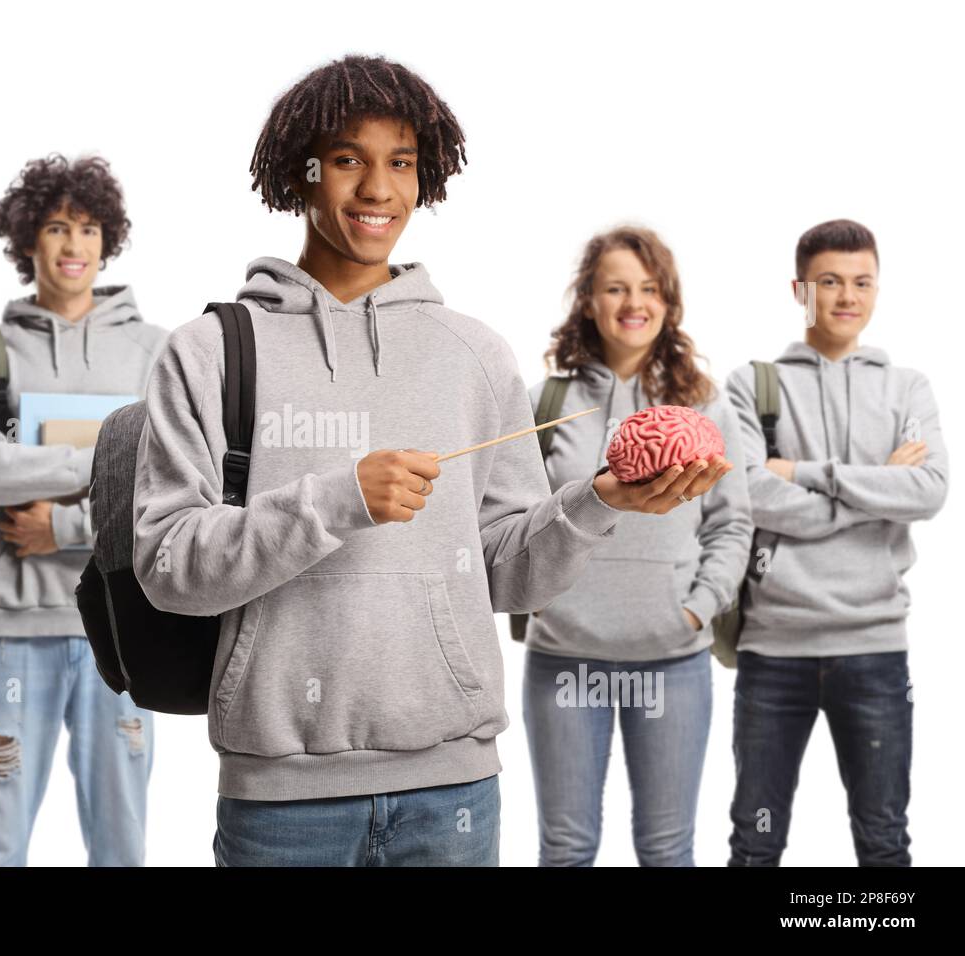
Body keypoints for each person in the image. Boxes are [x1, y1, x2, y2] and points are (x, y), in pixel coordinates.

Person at [132, 54, 731, 867]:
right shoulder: (207, 353)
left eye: (401, 163)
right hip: (280, 801)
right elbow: (169, 567)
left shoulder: (475, 354)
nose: (379, 188)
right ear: (297, 173)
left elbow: (508, 574)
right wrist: (337, 499)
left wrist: (596, 502)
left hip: (454, 791)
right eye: (348, 159)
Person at [0, 154, 168, 866]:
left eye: (90, 229)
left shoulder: (154, 353)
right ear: (26, 241)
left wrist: (64, 523)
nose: (75, 246)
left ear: (109, 240)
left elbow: (170, 486)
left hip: (124, 629)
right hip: (11, 625)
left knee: (121, 838)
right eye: (57, 228)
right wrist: (99, 462)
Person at [522, 226, 750, 866]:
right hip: (565, 656)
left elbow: (732, 523)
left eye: (649, 289)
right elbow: (512, 519)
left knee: (667, 849)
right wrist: (544, 604)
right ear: (588, 300)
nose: (633, 302)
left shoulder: (706, 403)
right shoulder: (548, 401)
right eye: (616, 287)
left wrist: (697, 608)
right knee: (566, 849)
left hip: (672, 658)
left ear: (668, 302)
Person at [725, 219, 949, 866]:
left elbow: (931, 491)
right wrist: (877, 486)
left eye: (861, 282)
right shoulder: (753, 383)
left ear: (877, 289)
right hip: (773, 652)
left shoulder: (907, 387)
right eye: (829, 282)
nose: (846, 296)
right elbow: (746, 493)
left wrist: (805, 472)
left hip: (874, 650)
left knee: (883, 844)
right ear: (800, 289)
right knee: (755, 845)